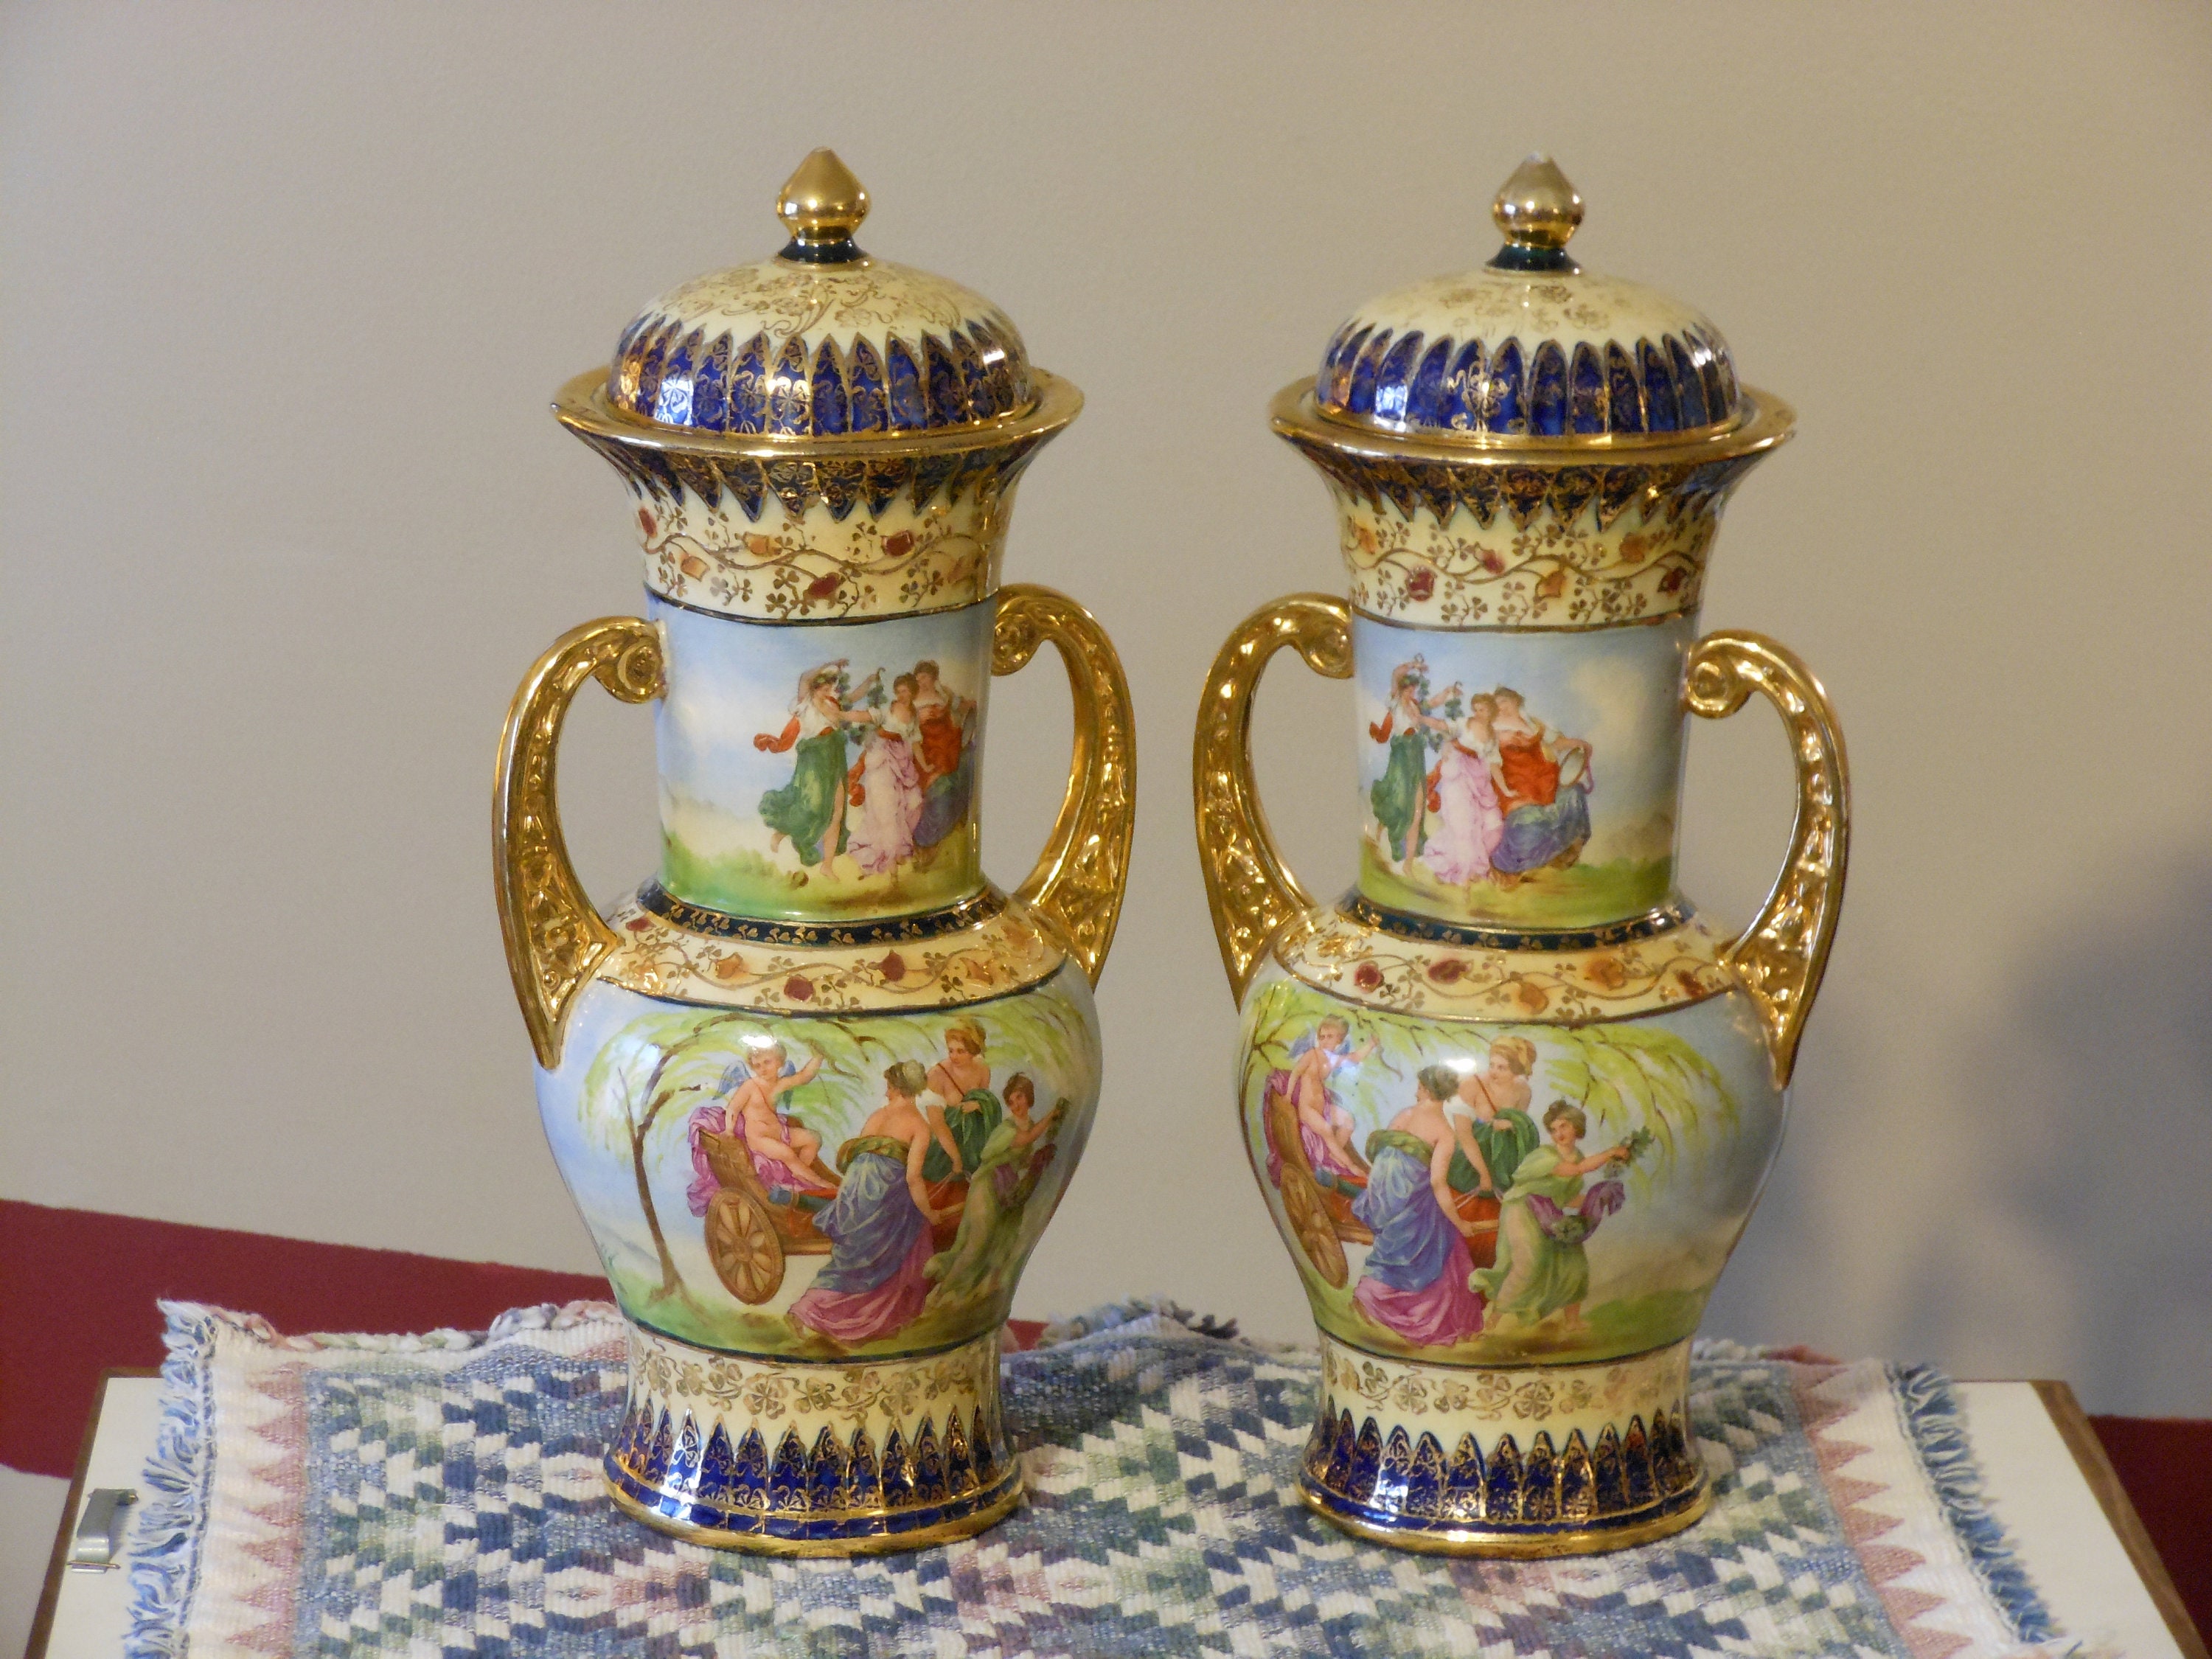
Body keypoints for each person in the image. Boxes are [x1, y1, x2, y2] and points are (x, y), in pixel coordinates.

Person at [787, 1060, 947, 1346]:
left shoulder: (876, 1117)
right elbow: (913, 1178)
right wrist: (930, 1212)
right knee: (914, 1235)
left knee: (850, 1262)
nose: (886, 1091)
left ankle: (805, 1308)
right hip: (886, 1201)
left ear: (896, 1088)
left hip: (855, 1197)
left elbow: (856, 1162)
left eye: (889, 1086)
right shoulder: (919, 1126)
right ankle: (879, 1320)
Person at [1349, 1065, 1489, 1346]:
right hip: (1408, 1203)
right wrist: (1460, 1222)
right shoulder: (1445, 1133)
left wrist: (1385, 1190)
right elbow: (1437, 1183)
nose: (1416, 1091)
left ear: (1425, 1088)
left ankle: (1369, 1296)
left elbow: (1380, 1157)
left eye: (1419, 1086)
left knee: (1428, 1231)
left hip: (1381, 1197)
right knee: (1448, 1242)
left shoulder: (1405, 1115)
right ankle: (1432, 1319)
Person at [1473, 1099, 1631, 1332]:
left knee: (1574, 1263)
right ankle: (1492, 1323)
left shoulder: (1578, 1157)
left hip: (1549, 1215)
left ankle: (1572, 1322)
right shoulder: (1544, 1156)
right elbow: (1575, 1170)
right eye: (1554, 1129)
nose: (1559, 1134)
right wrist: (1610, 1153)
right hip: (1523, 1210)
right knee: (1528, 1264)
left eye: (1564, 1126)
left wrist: (1598, 1198)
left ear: (1576, 1126)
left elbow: (1567, 1199)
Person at [924, 1074, 1065, 1301]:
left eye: (1019, 1098)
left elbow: (1021, 1158)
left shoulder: (1028, 1125)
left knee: (992, 1244)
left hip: (1005, 1189)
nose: (1015, 1105)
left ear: (1028, 1097)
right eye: (1011, 1101)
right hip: (987, 1185)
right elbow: (1024, 1139)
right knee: (976, 1243)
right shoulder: (1008, 1128)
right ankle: (940, 1293)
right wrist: (1052, 1115)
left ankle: (960, 1294)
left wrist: (1038, 1160)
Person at [684, 1044, 837, 1217]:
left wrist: (819, 1056)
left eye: (767, 1062)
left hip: (779, 1132)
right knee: (786, 1153)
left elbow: (804, 1076)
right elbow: (733, 1109)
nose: (762, 1069)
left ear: (780, 1063)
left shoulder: (781, 1084)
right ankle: (816, 1181)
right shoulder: (750, 1086)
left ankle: (797, 1176)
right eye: (757, 1065)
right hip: (759, 1138)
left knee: (813, 1138)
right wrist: (729, 1131)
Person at [755, 662, 880, 870]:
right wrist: (830, 665)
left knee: (838, 810)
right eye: (824, 688)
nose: (829, 691)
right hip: (814, 757)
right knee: (813, 805)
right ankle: (782, 832)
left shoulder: (833, 704)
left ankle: (827, 866)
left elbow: (854, 700)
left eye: (830, 687)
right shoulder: (805, 704)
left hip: (835, 756)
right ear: (815, 688)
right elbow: (805, 677)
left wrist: (869, 683)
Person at [1488, 687, 1593, 883]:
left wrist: (1578, 744)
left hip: (1545, 786)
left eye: (1504, 702)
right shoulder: (1492, 729)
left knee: (1574, 794)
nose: (1500, 707)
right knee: (1529, 823)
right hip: (1516, 790)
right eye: (1496, 704)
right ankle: (1513, 869)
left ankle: (1562, 855)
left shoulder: (1533, 724)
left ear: (1516, 701)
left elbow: (1557, 743)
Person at [1265, 1015, 1375, 1192]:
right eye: (1322, 1037)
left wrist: (1371, 1045)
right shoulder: (1312, 1055)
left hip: (1322, 1107)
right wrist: (1288, 1095)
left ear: (1339, 1039)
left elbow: (1354, 1057)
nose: (1324, 1041)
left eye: (1329, 1037)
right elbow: (1296, 1073)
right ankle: (1351, 1166)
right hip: (1307, 1108)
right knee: (1326, 1129)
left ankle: (1334, 1152)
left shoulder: (1333, 1059)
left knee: (1348, 1121)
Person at [1368, 660, 1457, 871]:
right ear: (1401, 689)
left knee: (1417, 805)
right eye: (1408, 689)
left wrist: (1448, 692)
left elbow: (1433, 703)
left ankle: (1408, 863)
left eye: (1413, 689)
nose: (1411, 693)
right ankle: (1381, 827)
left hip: (1415, 754)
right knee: (1399, 799)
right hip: (1401, 754)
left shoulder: (1415, 705)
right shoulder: (1395, 702)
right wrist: (1414, 665)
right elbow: (1395, 673)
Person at [1422, 694, 1507, 888]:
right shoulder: (1465, 724)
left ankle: (1471, 866)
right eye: (1475, 709)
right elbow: (1442, 725)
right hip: (1459, 777)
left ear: (1491, 711)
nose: (1477, 713)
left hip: (1480, 783)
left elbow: (1494, 765)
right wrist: (1421, 718)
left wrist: (1506, 790)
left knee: (1494, 826)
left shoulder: (1492, 735)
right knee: (1464, 826)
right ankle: (1464, 873)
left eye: (1482, 710)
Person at [846, 672, 925, 877]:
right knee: (886, 810)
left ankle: (897, 848)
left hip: (903, 765)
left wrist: (925, 766)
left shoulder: (914, 714)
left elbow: (915, 742)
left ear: (912, 692)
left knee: (914, 803)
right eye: (898, 692)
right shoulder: (890, 710)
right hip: (882, 762)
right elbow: (866, 716)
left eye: (905, 691)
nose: (901, 695)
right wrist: (842, 715)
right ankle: (890, 864)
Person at [1450, 1035, 1540, 1196]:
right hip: (1469, 1160)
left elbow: (1520, 1127)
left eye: (1502, 1068)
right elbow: (1464, 1135)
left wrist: (1513, 1126)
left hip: (1502, 1162)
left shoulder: (1523, 1090)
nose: (1493, 1072)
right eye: (1492, 1065)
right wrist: (1484, 1174)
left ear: (1516, 1071)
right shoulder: (1471, 1085)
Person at [920, 1018, 1002, 1182]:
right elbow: (938, 1125)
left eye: (961, 1051)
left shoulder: (982, 1069)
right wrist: (956, 1158)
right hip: (943, 1148)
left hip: (974, 1142)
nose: (954, 1057)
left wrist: (979, 1105)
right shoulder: (937, 1076)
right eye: (951, 1051)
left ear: (973, 1051)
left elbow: (985, 1101)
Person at [911, 660, 975, 852]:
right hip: (926, 744)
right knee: (934, 782)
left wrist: (967, 706)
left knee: (961, 764)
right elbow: (905, 722)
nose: (921, 682)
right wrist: (919, 718)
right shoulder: (913, 698)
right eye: (918, 679)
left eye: (924, 677)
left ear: (933, 677)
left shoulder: (944, 693)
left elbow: (961, 707)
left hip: (946, 739)